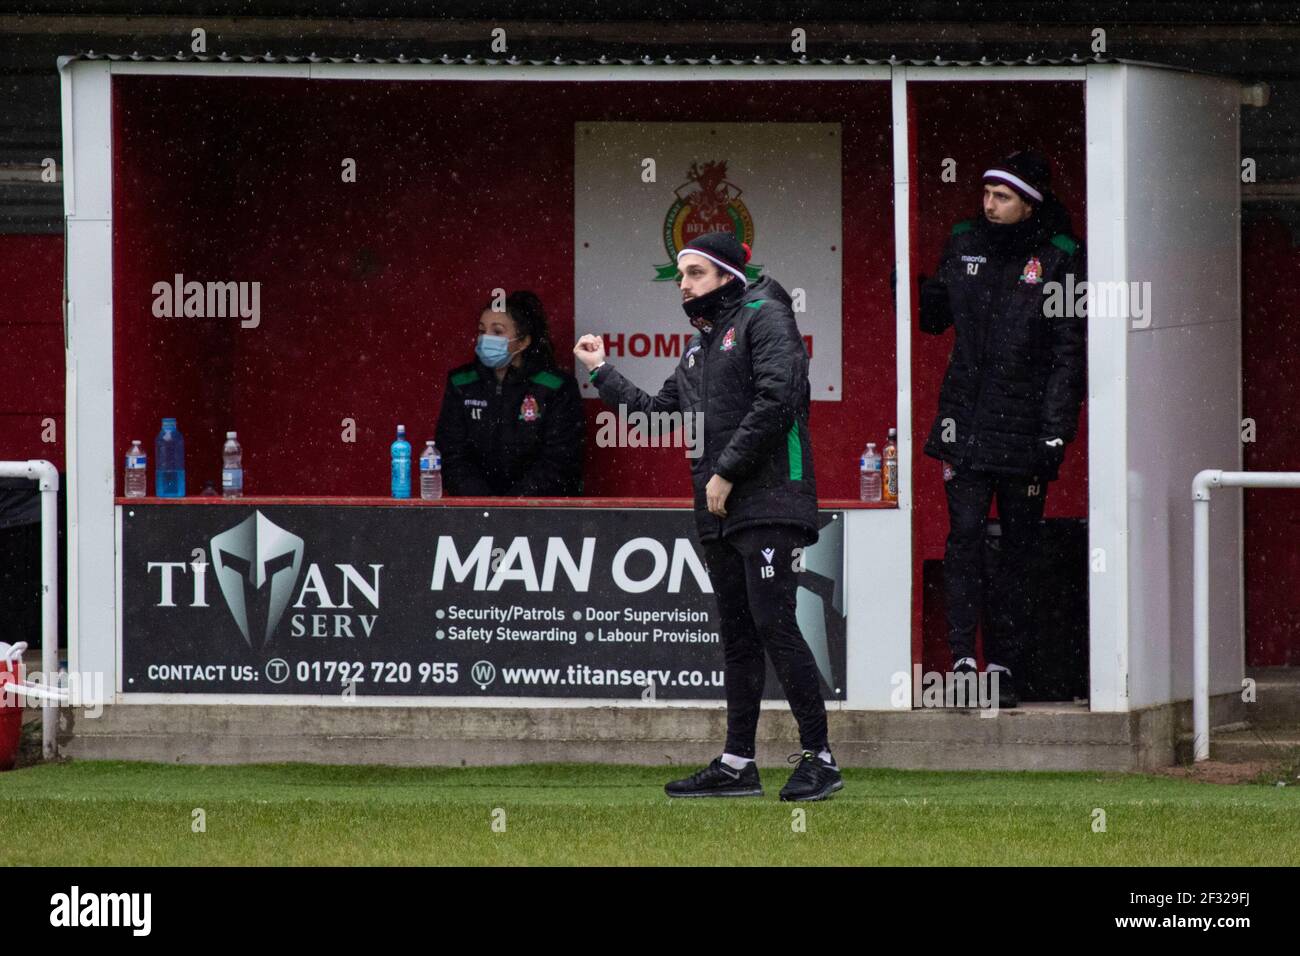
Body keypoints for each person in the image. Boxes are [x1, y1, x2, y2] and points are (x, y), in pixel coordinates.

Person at [574, 231, 842, 802]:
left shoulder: (766, 316)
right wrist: (601, 372)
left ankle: (821, 758)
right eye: (680, 277)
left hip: (770, 499)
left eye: (695, 274)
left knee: (774, 622)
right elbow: (651, 417)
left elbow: (780, 399)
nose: (684, 286)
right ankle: (738, 764)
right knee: (740, 636)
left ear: (726, 276)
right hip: (720, 512)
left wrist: (725, 472)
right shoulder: (699, 348)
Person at [918, 149, 1086, 708]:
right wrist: (914, 289)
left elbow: (1069, 355)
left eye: (1002, 197)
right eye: (986, 194)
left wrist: (1057, 432)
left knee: (1019, 551)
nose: (989, 205)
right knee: (963, 540)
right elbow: (935, 318)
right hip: (962, 422)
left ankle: (1006, 668)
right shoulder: (963, 241)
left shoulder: (1061, 257)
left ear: (1029, 203)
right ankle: (965, 663)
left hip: (1025, 429)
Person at [436, 290, 584, 496]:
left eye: (497, 332)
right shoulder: (462, 382)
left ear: (523, 342)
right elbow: (451, 454)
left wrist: (514, 504)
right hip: (475, 513)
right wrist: (484, 503)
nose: (485, 338)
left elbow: (559, 460)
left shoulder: (555, 386)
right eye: (481, 331)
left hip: (539, 512)